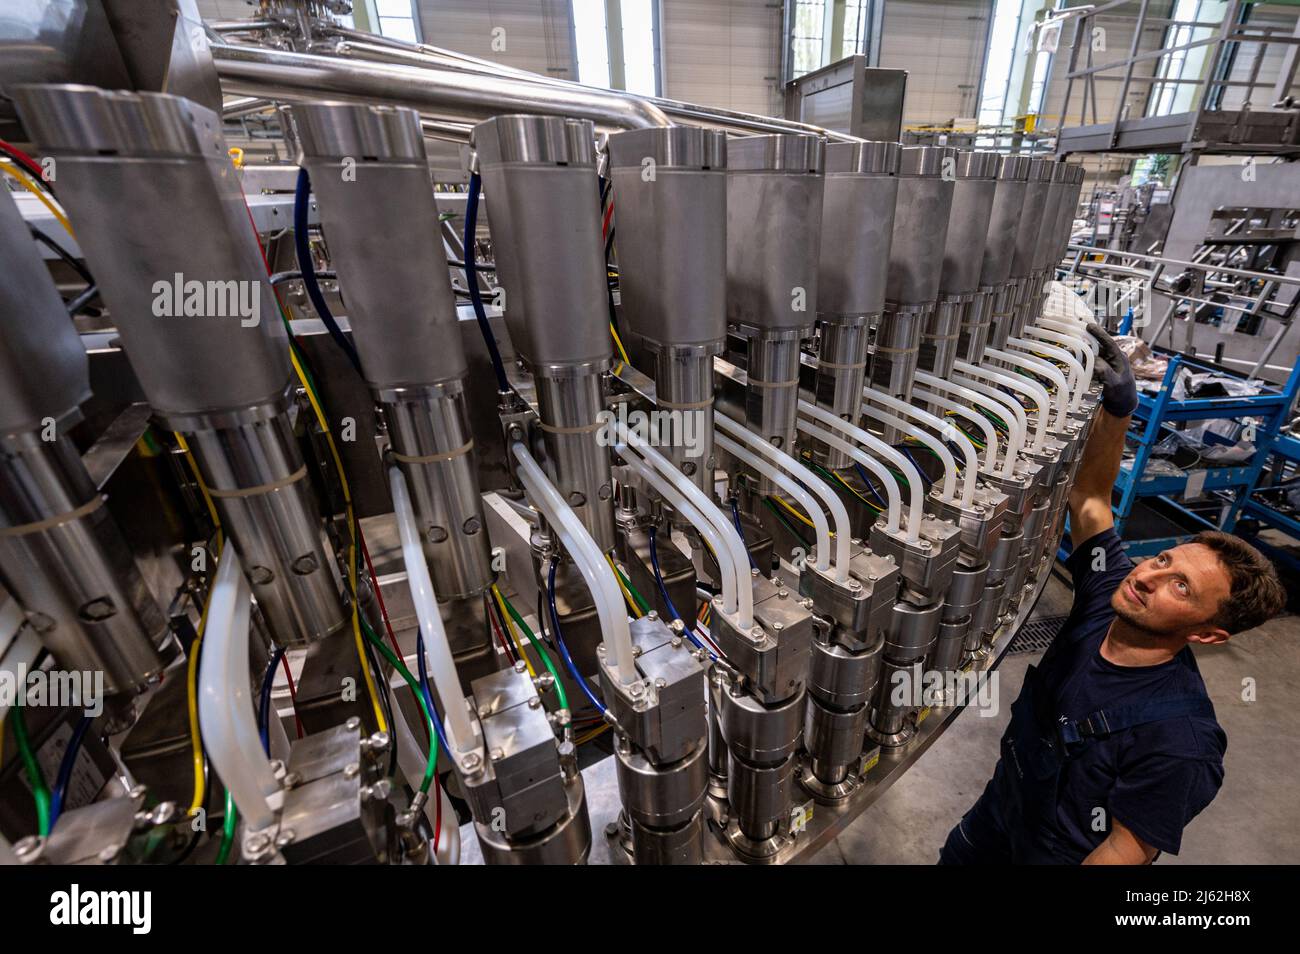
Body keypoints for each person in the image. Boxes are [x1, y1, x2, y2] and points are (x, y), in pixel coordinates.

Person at [939, 324, 1286, 864]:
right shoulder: (1109, 596)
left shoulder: (1180, 740)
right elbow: (1092, 500)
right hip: (996, 819)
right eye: (1165, 559)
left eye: (1180, 586)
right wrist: (1120, 407)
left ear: (1208, 633)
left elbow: (1123, 852)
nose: (1147, 575)